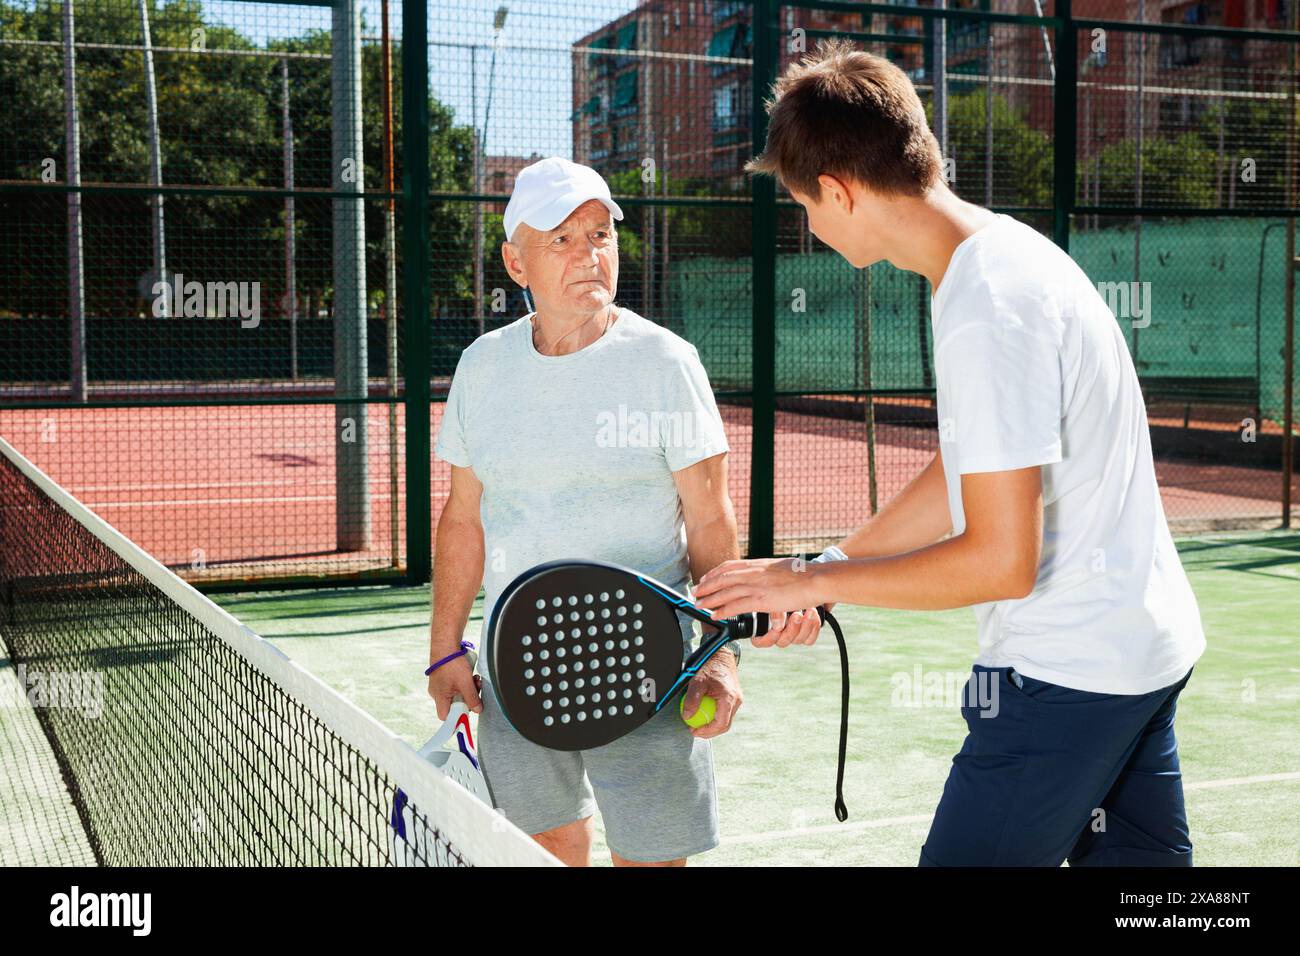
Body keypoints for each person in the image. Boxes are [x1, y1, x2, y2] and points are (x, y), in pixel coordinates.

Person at [694, 40, 1206, 867]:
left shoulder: (986, 306)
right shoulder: (1001, 261)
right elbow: (968, 467)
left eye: (805, 207)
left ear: (840, 190)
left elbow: (1002, 561)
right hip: (1141, 652)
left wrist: (811, 581)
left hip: (1065, 678)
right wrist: (826, 565)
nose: (811, 226)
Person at [428, 157, 812, 866]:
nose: (590, 256)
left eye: (600, 235)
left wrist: (720, 654)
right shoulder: (482, 367)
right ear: (516, 262)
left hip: (650, 667)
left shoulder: (667, 363)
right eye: (563, 240)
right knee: (542, 846)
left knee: (653, 858)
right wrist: (445, 646)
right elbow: (462, 516)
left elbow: (709, 520)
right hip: (517, 668)